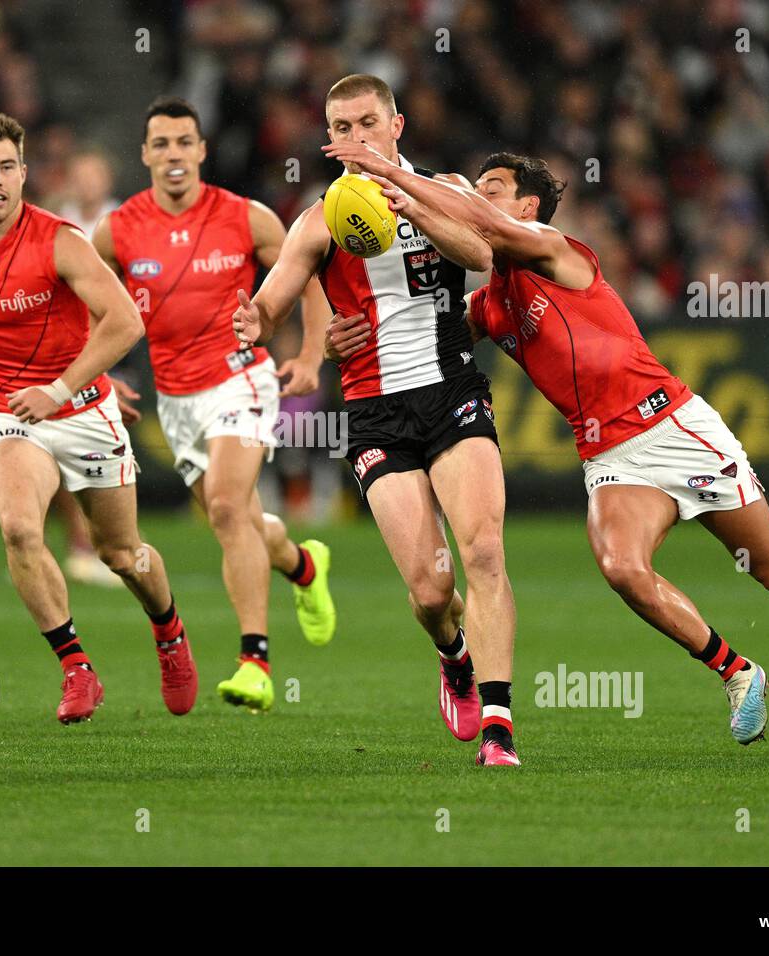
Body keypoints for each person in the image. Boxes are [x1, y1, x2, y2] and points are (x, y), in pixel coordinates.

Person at [324, 144, 769, 761]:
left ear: (528, 206)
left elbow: (487, 228)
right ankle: (736, 671)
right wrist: (341, 341)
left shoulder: (555, 250)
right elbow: (411, 336)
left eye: (491, 188)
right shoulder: (489, 304)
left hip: (671, 425)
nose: (478, 197)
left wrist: (392, 175)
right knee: (623, 568)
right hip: (609, 455)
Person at [233, 76, 521, 766]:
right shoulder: (320, 219)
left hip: (453, 391)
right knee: (430, 590)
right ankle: (452, 655)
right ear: (329, 141)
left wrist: (404, 197)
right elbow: (270, 302)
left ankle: (499, 730)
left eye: (368, 122)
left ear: (396, 125)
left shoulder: (445, 186)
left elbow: (482, 255)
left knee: (481, 552)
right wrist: (255, 320)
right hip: (375, 415)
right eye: (341, 127)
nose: (355, 137)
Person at [0, 112, 197, 724]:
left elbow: (125, 322)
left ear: (24, 173)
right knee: (19, 529)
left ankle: (169, 630)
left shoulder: (59, 239)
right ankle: (76, 667)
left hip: (83, 410)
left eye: (8, 166)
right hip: (10, 417)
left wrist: (61, 387)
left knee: (122, 554)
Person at [91, 96, 336, 713]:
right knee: (245, 523)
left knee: (227, 508)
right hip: (175, 401)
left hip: (241, 378)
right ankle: (303, 566)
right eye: (161, 144)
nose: (173, 155)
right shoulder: (115, 231)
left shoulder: (245, 218)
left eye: (184, 143)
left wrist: (310, 355)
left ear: (201, 150)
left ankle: (254, 660)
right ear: (146, 154)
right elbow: (77, 302)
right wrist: (97, 378)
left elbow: (308, 274)